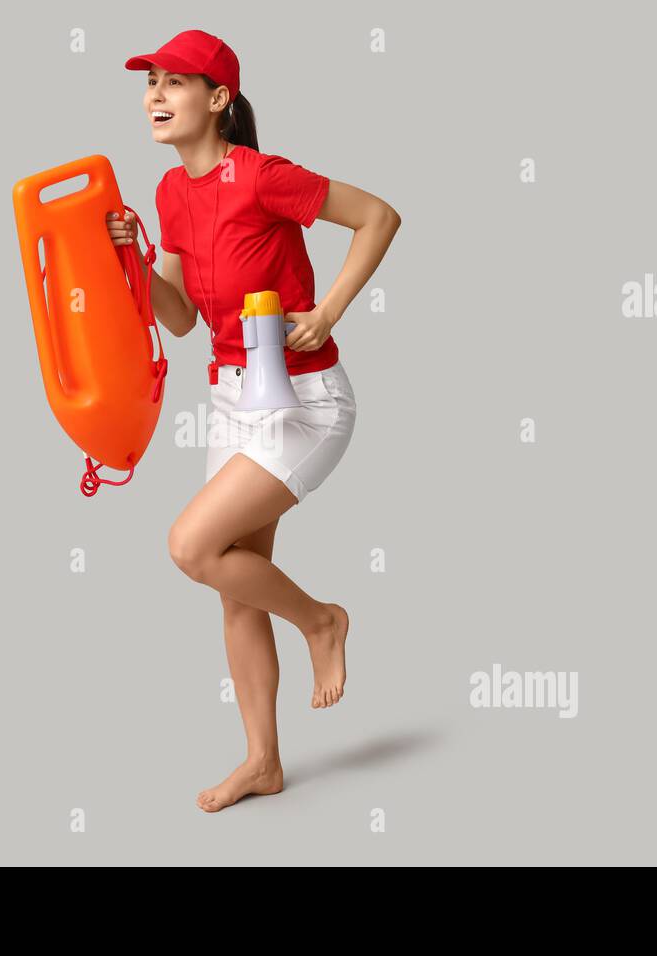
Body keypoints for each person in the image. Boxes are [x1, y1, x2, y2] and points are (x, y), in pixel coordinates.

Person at [106, 30, 401, 812]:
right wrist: (136, 258)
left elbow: (378, 216)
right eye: (151, 83)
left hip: (304, 402)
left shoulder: (264, 177)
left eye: (176, 83)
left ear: (219, 100)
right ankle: (263, 762)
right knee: (236, 589)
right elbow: (176, 320)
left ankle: (322, 621)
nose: (157, 98)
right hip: (234, 399)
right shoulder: (171, 195)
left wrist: (327, 310)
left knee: (191, 546)